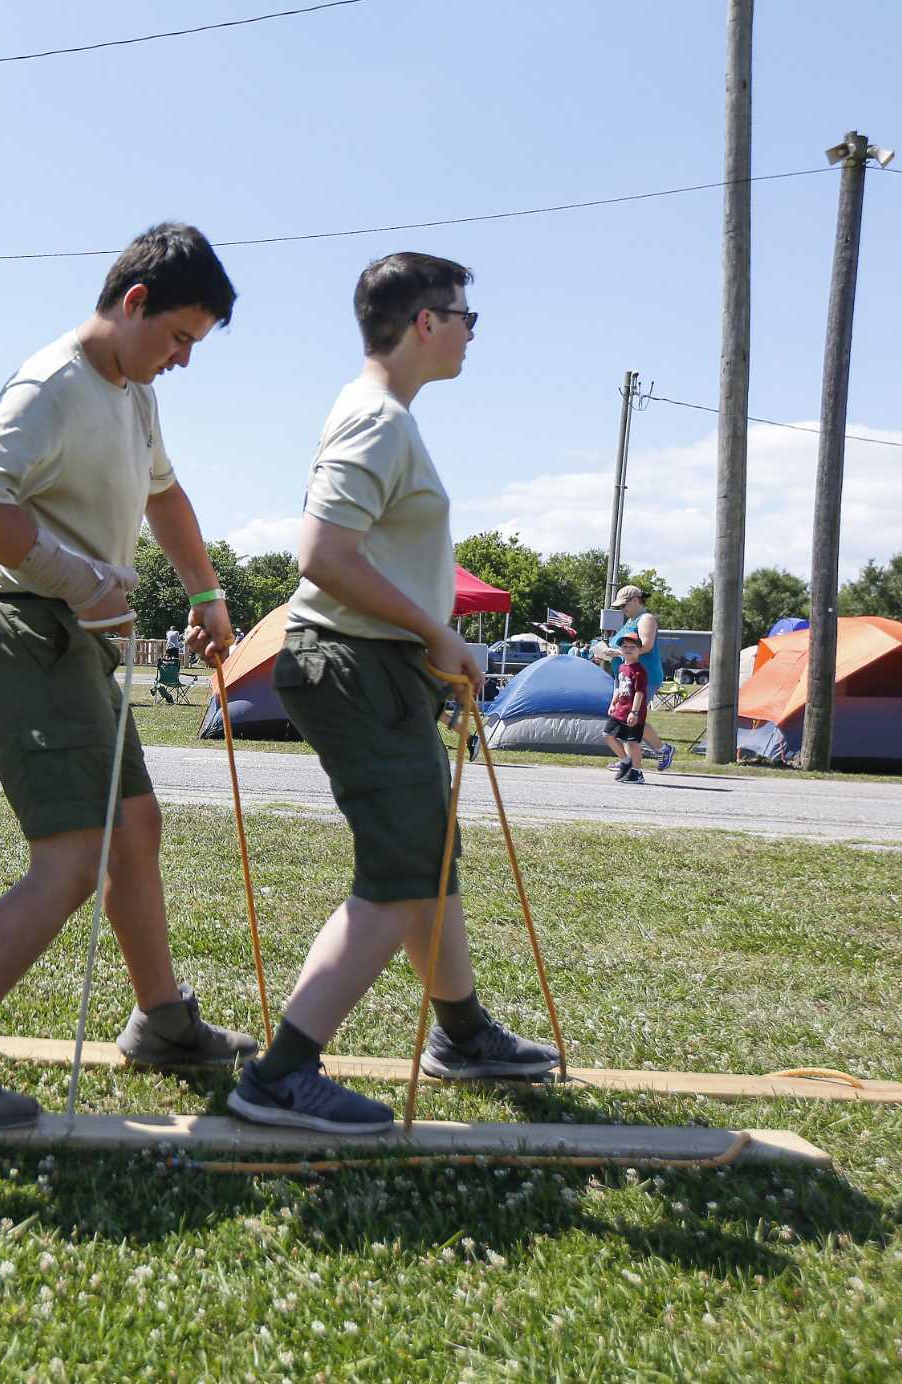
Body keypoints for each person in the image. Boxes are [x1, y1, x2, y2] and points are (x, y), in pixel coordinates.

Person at [0, 222, 258, 1130]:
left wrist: (205, 591)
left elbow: (164, 493)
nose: (183, 360)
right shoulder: (52, 383)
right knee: (73, 857)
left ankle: (161, 1022)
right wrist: (78, 578)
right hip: (22, 629)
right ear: (134, 302)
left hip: (75, 636)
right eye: (179, 338)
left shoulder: (134, 391)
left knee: (136, 827)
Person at [224, 252, 559, 1136]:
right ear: (425, 322)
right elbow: (322, 554)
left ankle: (464, 1034)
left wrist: (425, 638)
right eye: (466, 317)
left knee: (428, 860)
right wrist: (436, 632)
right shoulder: (376, 419)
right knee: (404, 870)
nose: (472, 334)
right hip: (352, 664)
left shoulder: (385, 416)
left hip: (374, 665)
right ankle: (280, 1075)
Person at [610, 584, 675, 771]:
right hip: (625, 677)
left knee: (630, 718)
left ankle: (636, 760)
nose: (622, 609)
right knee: (625, 718)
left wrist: (616, 652)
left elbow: (645, 646)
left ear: (635, 600)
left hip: (642, 677)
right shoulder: (630, 621)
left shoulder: (646, 619)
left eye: (624, 605)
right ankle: (641, 756)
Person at [604, 632, 649, 783]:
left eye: (632, 647)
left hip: (634, 712)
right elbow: (620, 687)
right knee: (608, 734)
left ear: (639, 650)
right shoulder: (622, 667)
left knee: (632, 742)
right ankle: (625, 761)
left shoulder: (639, 670)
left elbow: (640, 692)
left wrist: (634, 712)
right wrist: (613, 703)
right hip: (620, 710)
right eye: (624, 647)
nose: (628, 650)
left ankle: (637, 772)